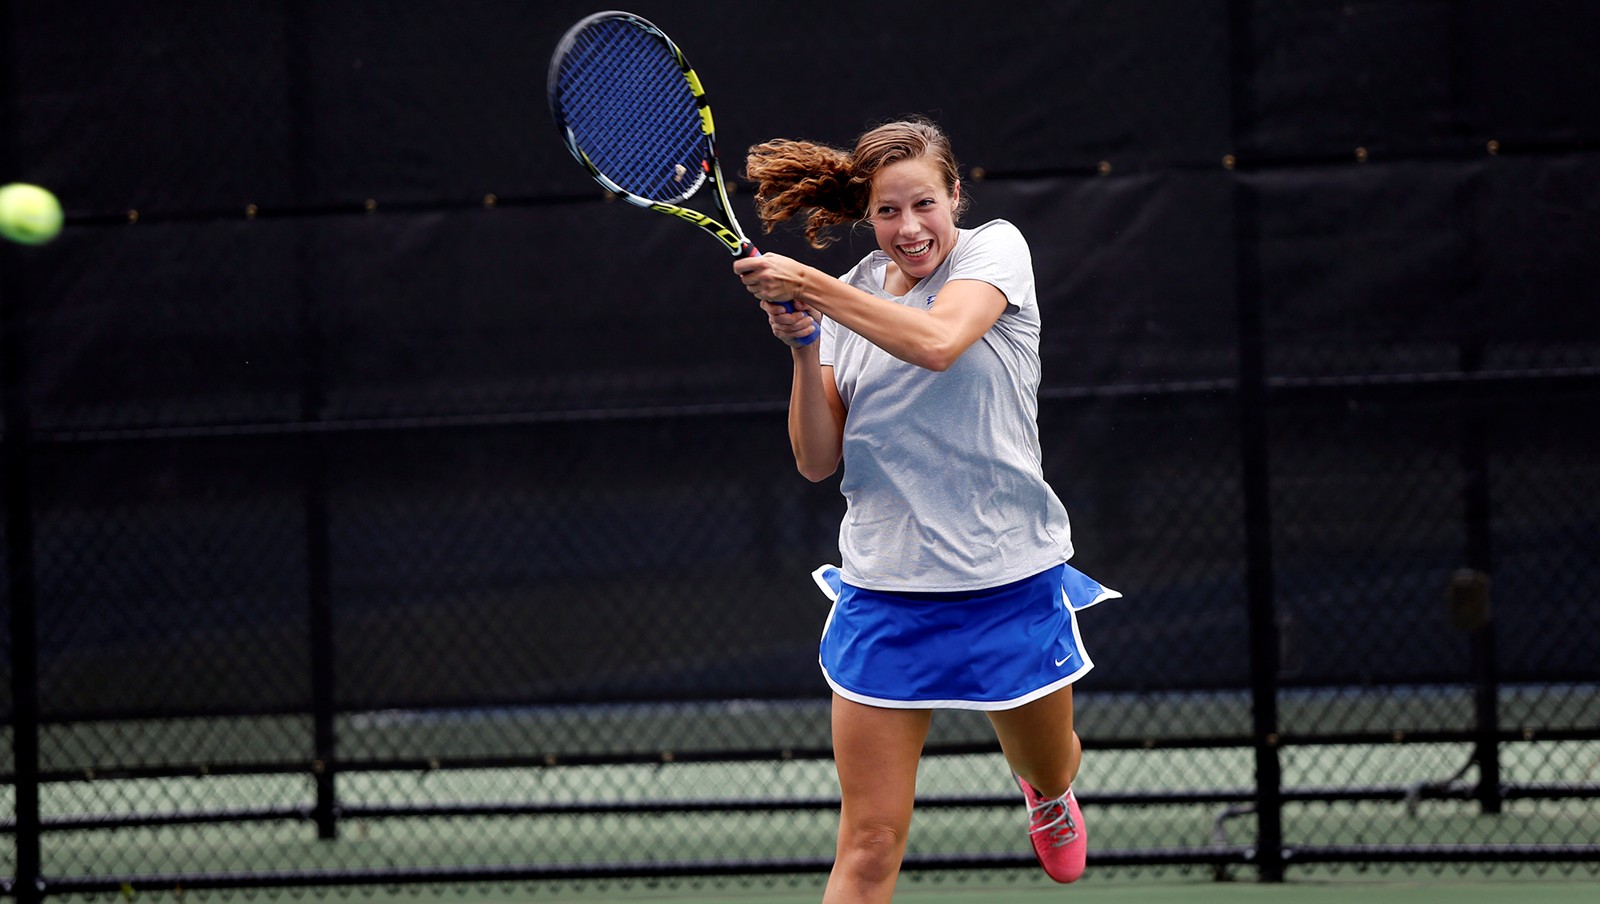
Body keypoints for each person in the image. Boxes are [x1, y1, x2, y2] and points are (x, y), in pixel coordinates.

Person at [733, 117, 1118, 903]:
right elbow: (815, 459)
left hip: (1007, 577)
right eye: (886, 212)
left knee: (1050, 762)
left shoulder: (995, 252)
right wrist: (807, 347)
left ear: (954, 197)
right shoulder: (859, 294)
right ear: (867, 217)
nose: (909, 229)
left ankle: (1046, 795)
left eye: (924, 205)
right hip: (887, 593)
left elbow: (940, 342)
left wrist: (809, 285)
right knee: (869, 844)